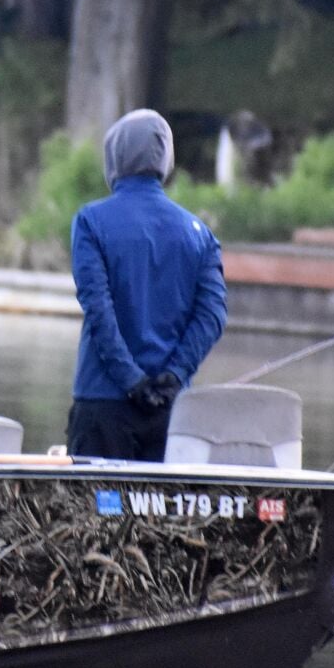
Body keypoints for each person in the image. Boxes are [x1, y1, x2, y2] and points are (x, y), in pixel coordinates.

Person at [69, 108, 228, 462]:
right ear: (166, 160)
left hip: (102, 406)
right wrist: (175, 375)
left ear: (115, 157)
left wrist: (131, 381)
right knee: (163, 517)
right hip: (171, 414)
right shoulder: (199, 234)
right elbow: (213, 314)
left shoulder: (91, 222)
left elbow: (99, 309)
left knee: (93, 517)